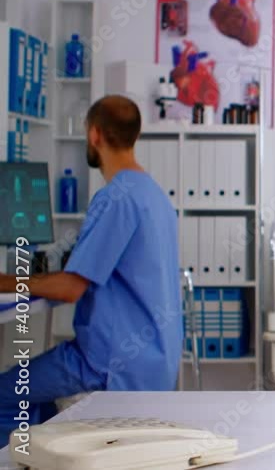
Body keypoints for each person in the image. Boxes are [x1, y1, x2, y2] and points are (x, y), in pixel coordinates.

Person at [0, 95, 182, 445]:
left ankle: (43, 455)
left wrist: (7, 280)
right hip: (155, 358)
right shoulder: (153, 194)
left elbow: (71, 289)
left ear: (95, 134)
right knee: (40, 406)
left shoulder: (115, 197)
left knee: (6, 394)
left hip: (109, 362)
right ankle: (54, 452)